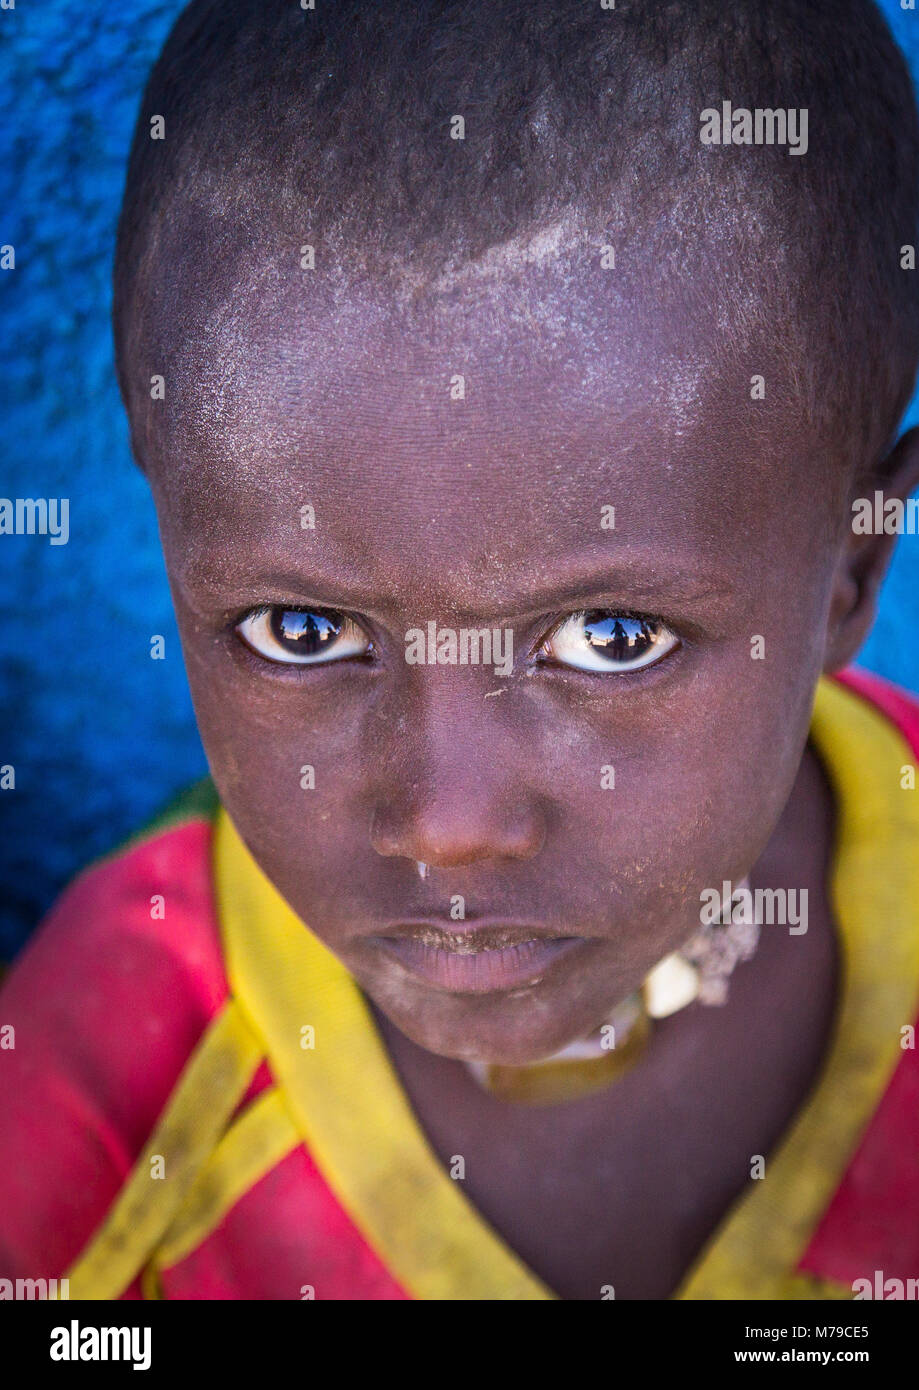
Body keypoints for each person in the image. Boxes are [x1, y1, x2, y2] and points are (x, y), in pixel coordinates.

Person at [2, 0, 919, 1300]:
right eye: (302, 631)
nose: (447, 822)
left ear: (854, 571)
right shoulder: (105, 1074)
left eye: (613, 638)